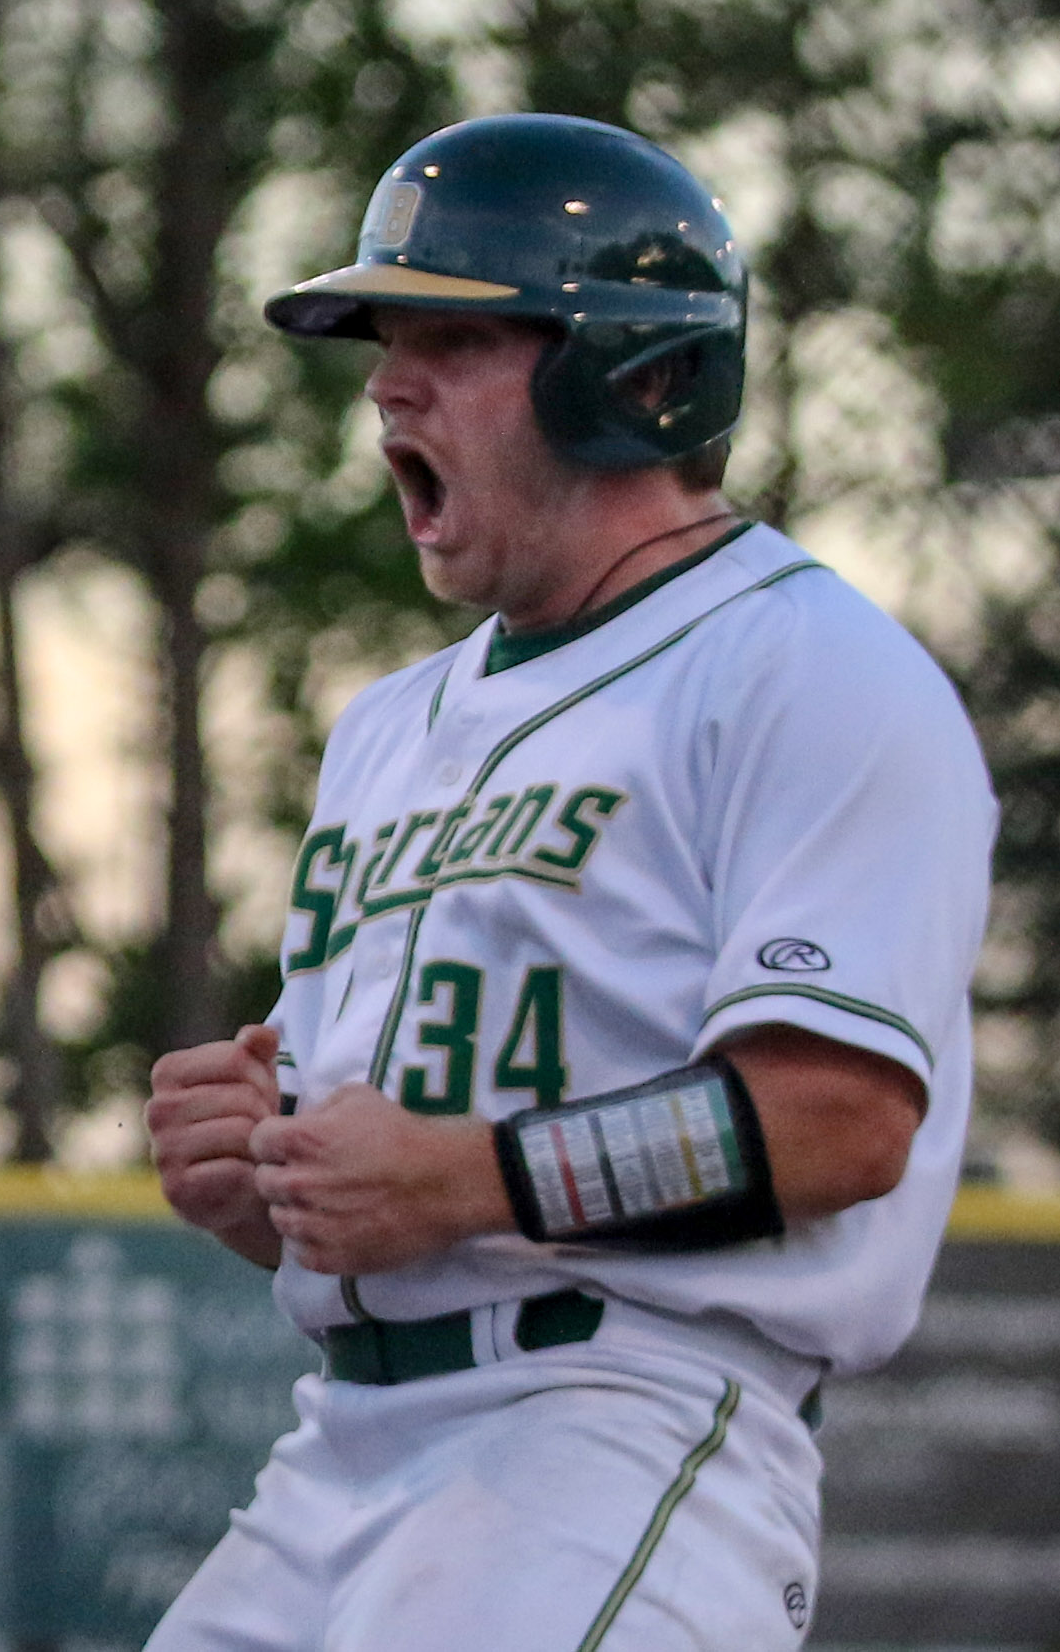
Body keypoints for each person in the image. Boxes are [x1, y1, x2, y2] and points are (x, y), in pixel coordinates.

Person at [140, 113, 990, 1652]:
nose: (389, 383)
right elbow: (397, 1169)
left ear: (637, 372)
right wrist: (263, 1173)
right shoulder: (386, 725)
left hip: (618, 1418)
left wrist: (457, 1178)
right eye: (382, 339)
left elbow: (837, 1117)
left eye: (451, 338)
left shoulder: (807, 665)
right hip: (344, 1437)